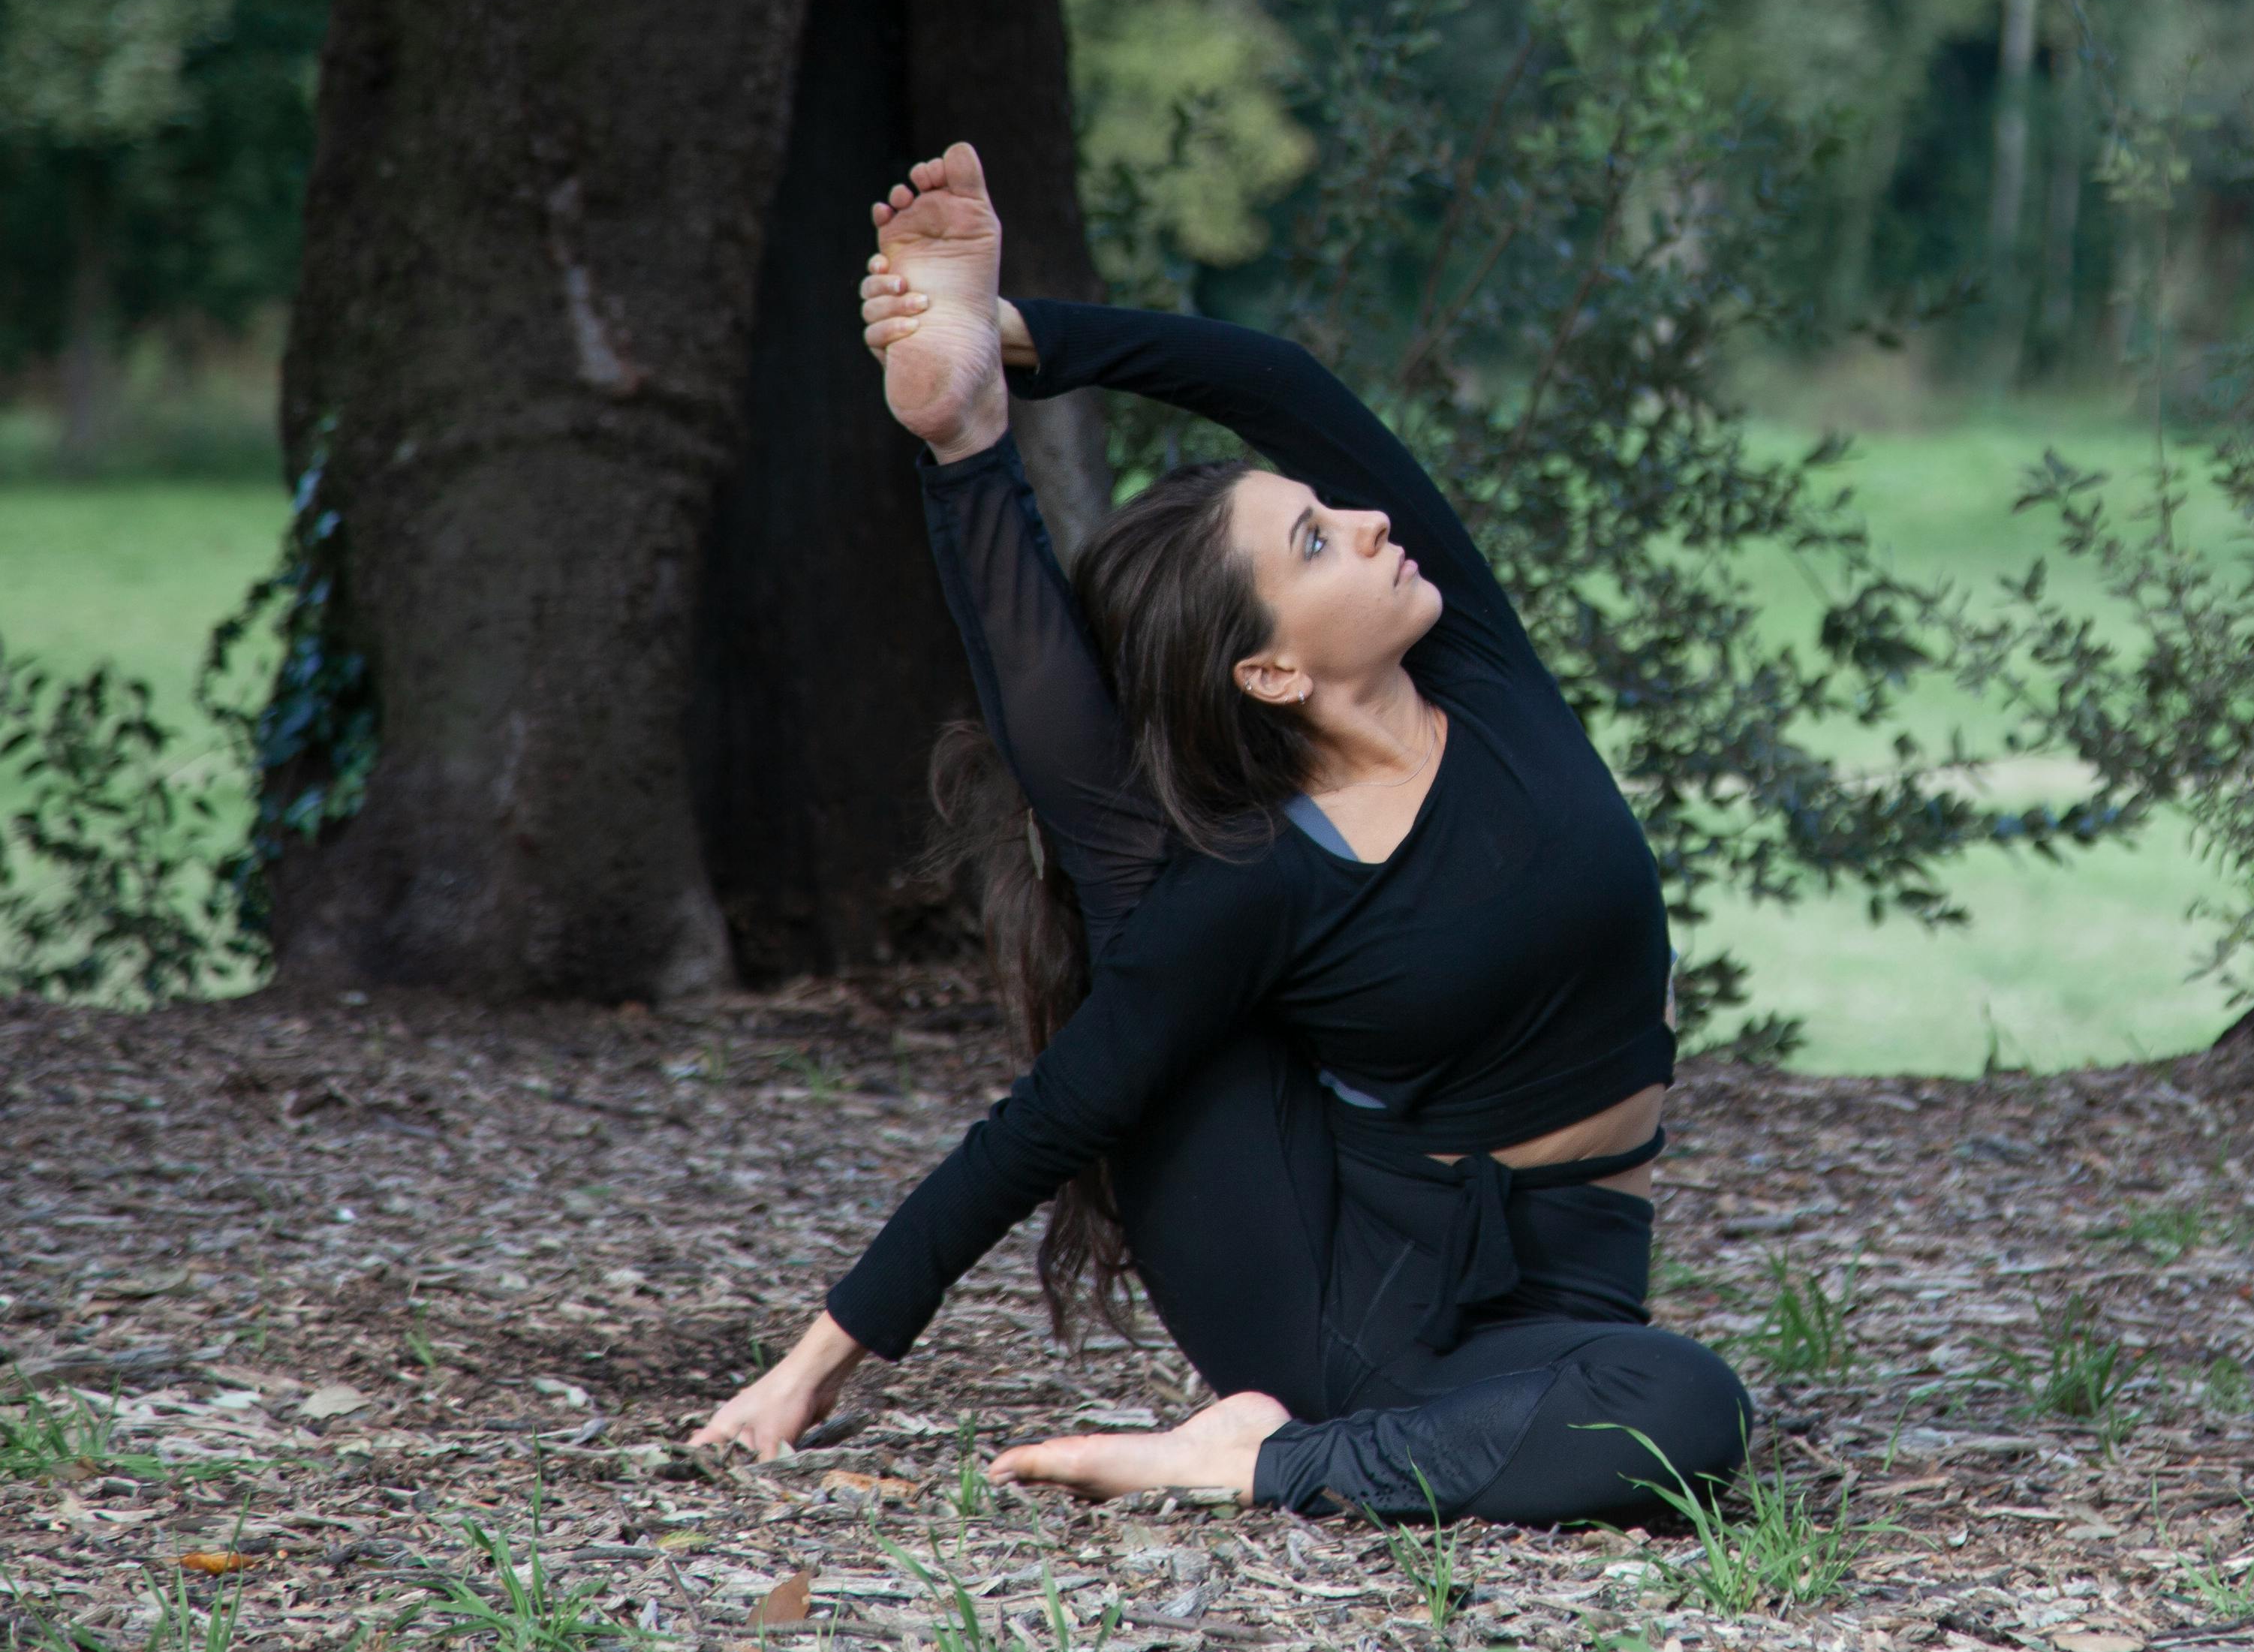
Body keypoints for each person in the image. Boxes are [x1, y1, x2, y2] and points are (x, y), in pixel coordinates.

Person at [683, 143, 1750, 1524]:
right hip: (1343, 1311)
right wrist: (811, 1364)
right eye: (1313, 542)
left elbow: (1283, 388)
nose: (1368, 523)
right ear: (1270, 671)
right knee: (1142, 883)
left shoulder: (1478, 669)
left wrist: (1012, 331)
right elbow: (1046, 1122)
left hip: (1558, 1300)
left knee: (1678, 1402)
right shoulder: (1260, 881)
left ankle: (1265, 1451)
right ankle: (1260, 1452)